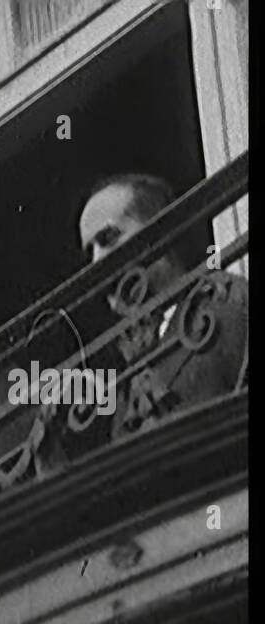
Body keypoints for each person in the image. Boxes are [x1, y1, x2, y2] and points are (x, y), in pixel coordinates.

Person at [77, 172, 248, 438]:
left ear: (160, 233)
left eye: (109, 237)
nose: (97, 263)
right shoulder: (126, 384)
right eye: (90, 252)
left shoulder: (225, 302)